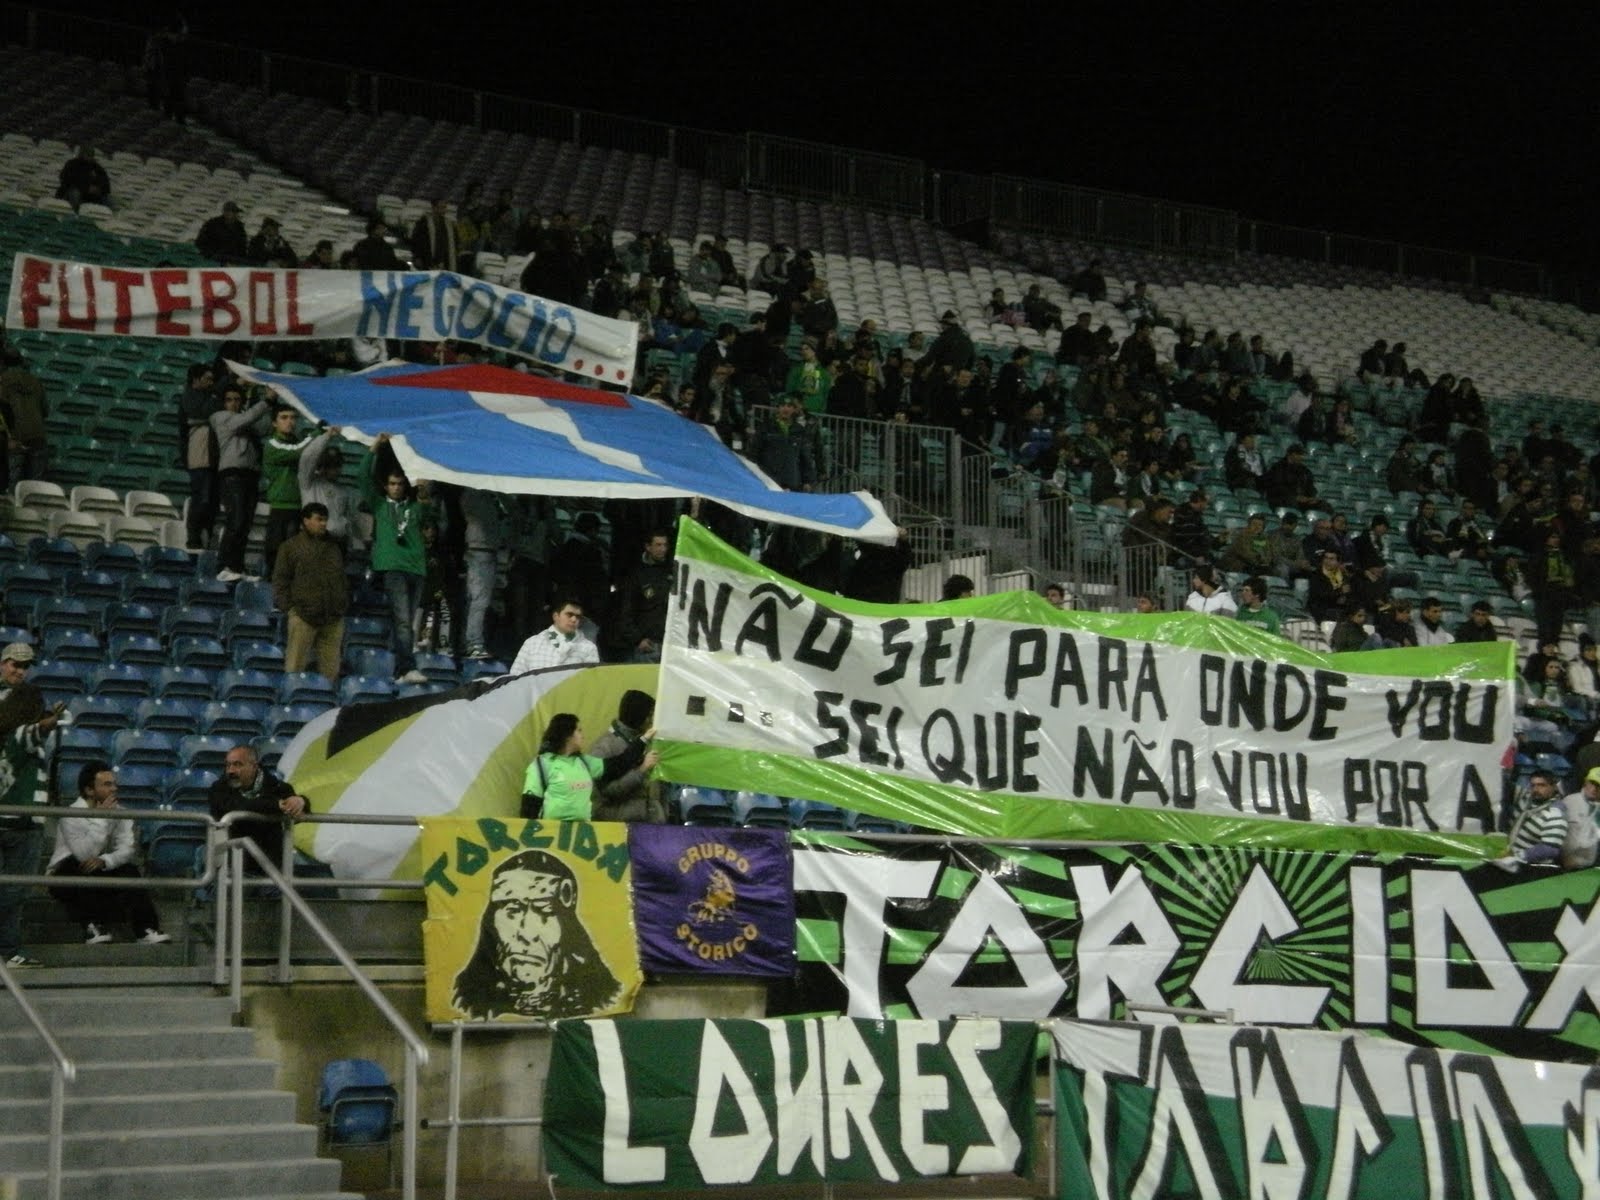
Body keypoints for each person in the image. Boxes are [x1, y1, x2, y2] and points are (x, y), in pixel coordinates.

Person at [451, 849, 624, 1020]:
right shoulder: (465, 997)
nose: (526, 933)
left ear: (567, 924)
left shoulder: (599, 996)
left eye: (544, 910)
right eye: (512, 911)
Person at [48, 762, 169, 945]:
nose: (114, 788)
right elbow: (84, 854)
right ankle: (93, 927)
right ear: (89, 790)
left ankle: (145, 930)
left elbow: (127, 848)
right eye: (107, 784)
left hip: (100, 872)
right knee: (79, 865)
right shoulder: (70, 815)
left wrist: (106, 860)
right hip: (65, 877)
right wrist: (101, 818)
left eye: (114, 784)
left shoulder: (121, 813)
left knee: (130, 871)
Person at [0, 643, 62, 968]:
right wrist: (44, 725)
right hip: (15, 811)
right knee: (14, 888)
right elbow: (29, 734)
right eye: (14, 665)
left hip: (23, 812)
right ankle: (7, 949)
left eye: (24, 667)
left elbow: (29, 735)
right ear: (2, 664)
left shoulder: (27, 714)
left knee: (17, 888)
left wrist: (44, 725)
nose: (19, 671)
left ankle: (9, 949)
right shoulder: (25, 716)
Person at [362, 436, 431, 684]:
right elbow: (363, 477)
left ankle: (400, 672)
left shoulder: (415, 507)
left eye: (400, 484)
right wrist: (374, 449)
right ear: (386, 485)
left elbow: (430, 514)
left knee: (407, 622)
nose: (396, 487)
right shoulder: (379, 504)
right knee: (403, 621)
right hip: (392, 568)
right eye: (392, 484)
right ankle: (407, 667)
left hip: (417, 568)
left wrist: (425, 488)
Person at [520, 712, 656, 821]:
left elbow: (618, 764)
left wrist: (643, 739)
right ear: (568, 735)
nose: (582, 735)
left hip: (582, 833)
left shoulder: (584, 762)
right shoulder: (541, 765)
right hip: (552, 836)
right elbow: (529, 806)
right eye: (579, 731)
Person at [273, 502, 348, 682]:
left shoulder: (336, 547)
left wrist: (341, 604)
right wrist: (290, 609)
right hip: (302, 615)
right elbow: (280, 580)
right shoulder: (290, 547)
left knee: (331, 674)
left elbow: (342, 578)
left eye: (325, 520)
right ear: (306, 521)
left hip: (333, 617)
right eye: (318, 519)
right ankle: (290, 703)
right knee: (294, 669)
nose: (323, 524)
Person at [207, 744, 309, 875]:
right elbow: (238, 806)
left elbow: (298, 807)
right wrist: (275, 805)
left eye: (238, 764)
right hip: (231, 865)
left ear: (254, 766)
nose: (230, 771)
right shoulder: (218, 789)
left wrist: (300, 801)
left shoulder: (276, 786)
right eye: (228, 765)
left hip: (270, 867)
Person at [210, 382, 272, 582]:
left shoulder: (245, 418)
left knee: (245, 524)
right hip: (232, 474)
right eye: (229, 400)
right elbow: (245, 420)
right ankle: (223, 565)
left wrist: (260, 405)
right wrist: (266, 401)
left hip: (249, 474)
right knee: (235, 520)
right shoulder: (220, 417)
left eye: (237, 400)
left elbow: (263, 428)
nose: (234, 404)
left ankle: (236, 566)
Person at [588, 691, 666, 823]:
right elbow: (608, 792)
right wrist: (641, 770)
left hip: (650, 825)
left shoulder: (650, 742)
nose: (652, 720)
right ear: (637, 715)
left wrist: (661, 812)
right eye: (649, 715)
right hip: (617, 828)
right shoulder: (604, 747)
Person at [261, 405, 316, 575]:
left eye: (293, 417)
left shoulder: (298, 442)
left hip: (299, 506)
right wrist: (318, 434)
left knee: (294, 557)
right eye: (284, 417)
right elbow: (297, 451)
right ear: (274, 423)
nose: (289, 421)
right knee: (276, 553)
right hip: (280, 507)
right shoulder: (272, 445)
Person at [614, 531, 674, 664]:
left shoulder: (674, 570)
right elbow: (626, 610)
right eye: (658, 545)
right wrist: (637, 639)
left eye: (665, 545)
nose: (663, 549)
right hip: (648, 645)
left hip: (671, 644)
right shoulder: (637, 574)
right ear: (648, 547)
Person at [1499, 769, 1567, 871]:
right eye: (1533, 785)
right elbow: (1506, 786)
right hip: (1510, 858)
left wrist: (1517, 856)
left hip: (1531, 869)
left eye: (1541, 785)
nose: (1536, 789)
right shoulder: (1527, 798)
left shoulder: (1555, 814)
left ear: (1553, 787)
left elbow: (1549, 849)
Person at [510, 598, 599, 674]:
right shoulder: (532, 643)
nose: (574, 619)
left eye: (578, 616)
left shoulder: (588, 648)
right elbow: (515, 678)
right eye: (569, 615)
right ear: (556, 616)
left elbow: (591, 682)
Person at [56, 146, 111, 210]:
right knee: (75, 194)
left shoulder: (97, 167)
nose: (90, 156)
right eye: (87, 154)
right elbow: (66, 180)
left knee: (108, 199)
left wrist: (98, 189)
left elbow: (106, 183)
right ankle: (75, 214)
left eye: (91, 154)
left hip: (91, 195)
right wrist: (86, 188)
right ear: (81, 154)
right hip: (73, 191)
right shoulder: (72, 164)